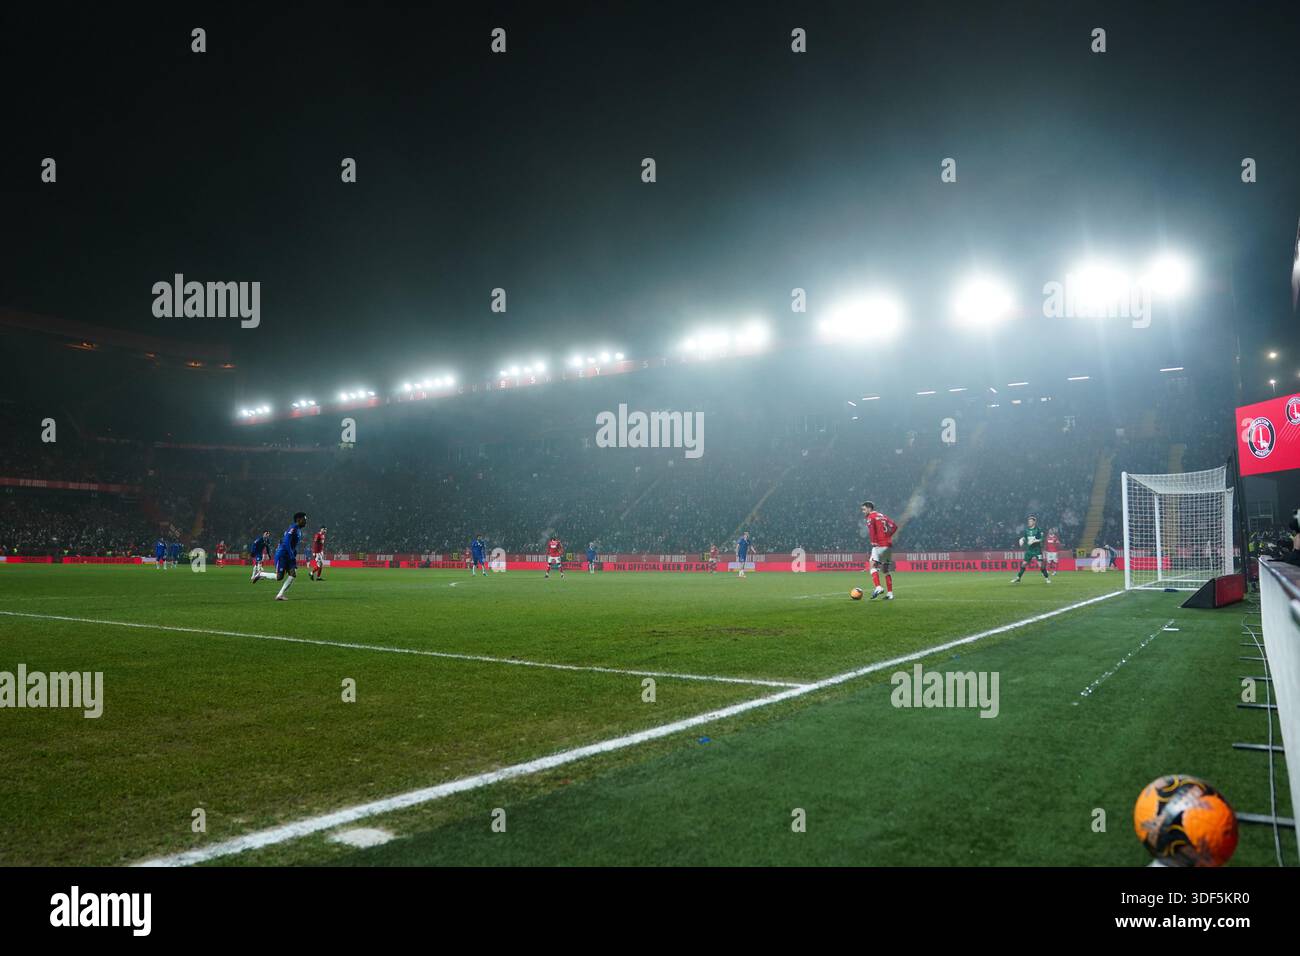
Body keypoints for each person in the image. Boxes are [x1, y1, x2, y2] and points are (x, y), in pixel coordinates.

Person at [260, 511, 307, 600]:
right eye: (304, 519)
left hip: (289, 555)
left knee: (293, 574)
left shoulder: (299, 530)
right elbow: (286, 542)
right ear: (298, 519)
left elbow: (292, 544)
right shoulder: (293, 528)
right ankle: (260, 574)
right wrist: (291, 555)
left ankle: (280, 595)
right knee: (279, 577)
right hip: (283, 554)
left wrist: (294, 553)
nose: (306, 521)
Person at [860, 501, 898, 600]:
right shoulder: (882, 516)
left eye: (864, 509)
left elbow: (872, 530)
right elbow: (894, 526)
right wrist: (887, 536)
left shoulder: (870, 517)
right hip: (888, 544)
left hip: (879, 544)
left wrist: (873, 541)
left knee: (872, 565)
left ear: (869, 508)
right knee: (885, 570)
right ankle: (890, 594)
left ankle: (878, 587)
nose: (863, 511)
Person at [1012, 515, 1051, 584]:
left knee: (1040, 565)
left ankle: (1047, 578)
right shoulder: (1027, 530)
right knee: (1023, 564)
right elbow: (1024, 538)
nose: (1029, 522)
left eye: (1030, 521)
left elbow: (1041, 539)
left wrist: (1034, 541)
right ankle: (1018, 578)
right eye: (1028, 521)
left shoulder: (1038, 530)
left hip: (1037, 550)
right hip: (1029, 550)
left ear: (1034, 522)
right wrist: (1021, 540)